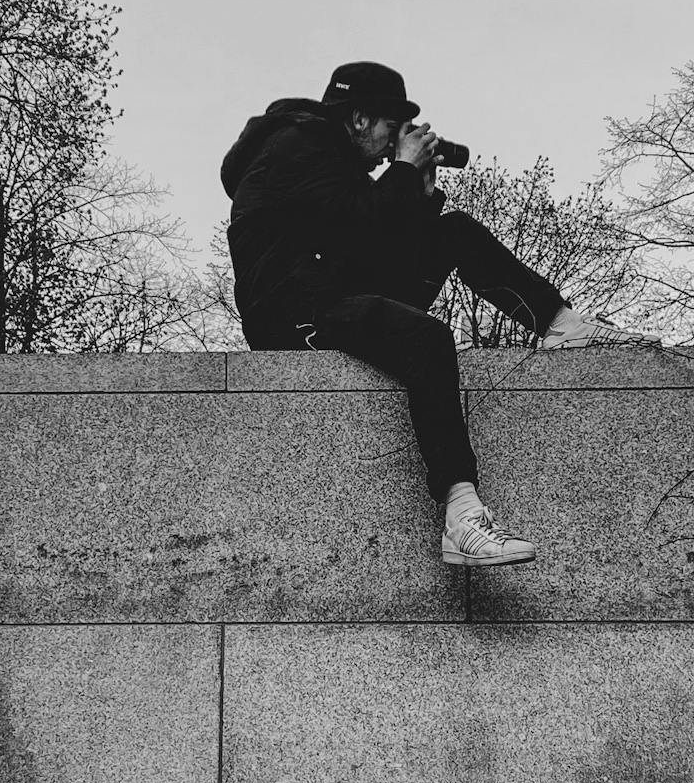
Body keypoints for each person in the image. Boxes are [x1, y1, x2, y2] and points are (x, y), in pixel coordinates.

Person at [220, 60, 638, 568]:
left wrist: (419, 190)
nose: (392, 145)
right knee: (428, 340)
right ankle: (462, 515)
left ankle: (559, 324)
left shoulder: (333, 158)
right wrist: (400, 170)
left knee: (454, 231)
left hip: (334, 292)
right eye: (392, 128)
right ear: (359, 119)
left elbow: (371, 245)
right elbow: (356, 231)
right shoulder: (299, 145)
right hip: (292, 315)